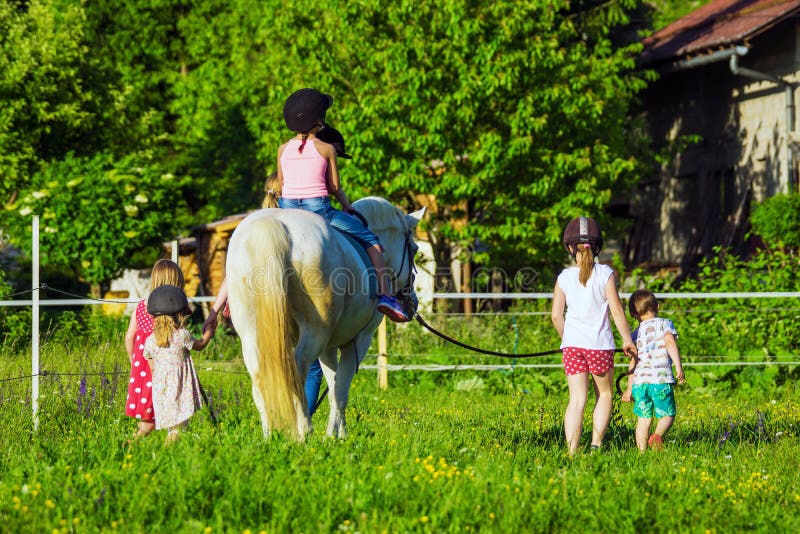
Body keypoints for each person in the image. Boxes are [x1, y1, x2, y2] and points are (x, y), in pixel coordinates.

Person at [277, 87, 409, 322]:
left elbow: (283, 182)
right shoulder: (327, 149)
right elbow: (334, 187)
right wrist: (348, 207)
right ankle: (386, 296)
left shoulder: (282, 149)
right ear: (318, 119)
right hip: (318, 209)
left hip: (286, 209)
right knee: (372, 241)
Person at [550, 216, 637, 455]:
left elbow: (556, 316)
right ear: (597, 246)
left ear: (570, 247)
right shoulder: (605, 273)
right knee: (605, 394)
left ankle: (571, 451)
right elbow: (617, 310)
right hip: (599, 346)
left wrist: (566, 340)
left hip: (573, 347)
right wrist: (627, 340)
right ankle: (596, 446)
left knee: (577, 400)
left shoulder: (564, 277)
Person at [144, 284, 213, 444]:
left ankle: (174, 455)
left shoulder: (150, 341)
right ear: (178, 314)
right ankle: (167, 456)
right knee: (178, 429)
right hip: (179, 389)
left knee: (175, 428)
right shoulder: (182, 335)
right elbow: (200, 345)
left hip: (161, 390)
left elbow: (152, 367)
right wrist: (209, 332)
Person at [123, 259, 185, 439]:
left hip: (142, 367)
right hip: (166, 368)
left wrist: (134, 362)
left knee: (147, 421)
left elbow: (129, 337)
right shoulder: (175, 309)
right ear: (176, 283)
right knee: (175, 419)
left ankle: (129, 448)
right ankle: (166, 456)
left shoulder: (142, 305)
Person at [622, 289, 685, 452]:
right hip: (660, 380)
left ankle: (642, 453)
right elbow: (669, 341)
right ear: (657, 306)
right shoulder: (665, 323)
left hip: (640, 384)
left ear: (634, 314)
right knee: (667, 414)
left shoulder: (635, 333)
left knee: (643, 419)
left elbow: (633, 362)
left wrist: (629, 388)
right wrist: (678, 365)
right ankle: (656, 436)